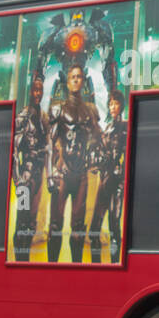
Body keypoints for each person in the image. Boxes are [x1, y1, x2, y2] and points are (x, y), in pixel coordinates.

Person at [47, 64, 101, 262]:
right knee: (55, 226)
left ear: (83, 81)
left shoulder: (91, 111)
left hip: (81, 175)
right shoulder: (58, 109)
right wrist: (49, 174)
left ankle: (77, 270)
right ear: (68, 81)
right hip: (61, 172)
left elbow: (98, 139)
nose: (76, 80)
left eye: (79, 76)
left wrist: (97, 157)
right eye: (73, 77)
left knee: (78, 228)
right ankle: (51, 270)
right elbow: (49, 144)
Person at [12, 74, 49, 261]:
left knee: (31, 223)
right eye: (35, 90)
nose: (38, 94)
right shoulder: (23, 117)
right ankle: (19, 260)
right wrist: (18, 180)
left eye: (40, 90)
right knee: (22, 219)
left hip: (38, 175)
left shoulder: (43, 117)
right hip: (25, 178)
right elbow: (13, 150)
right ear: (29, 92)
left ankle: (24, 262)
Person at [88, 91, 127, 263]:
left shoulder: (125, 126)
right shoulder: (107, 128)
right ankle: (97, 266)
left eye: (116, 103)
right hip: (105, 179)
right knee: (95, 228)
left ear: (121, 105)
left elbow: (126, 154)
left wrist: (122, 175)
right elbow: (102, 154)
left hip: (117, 181)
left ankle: (114, 263)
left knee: (113, 226)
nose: (113, 107)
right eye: (110, 103)